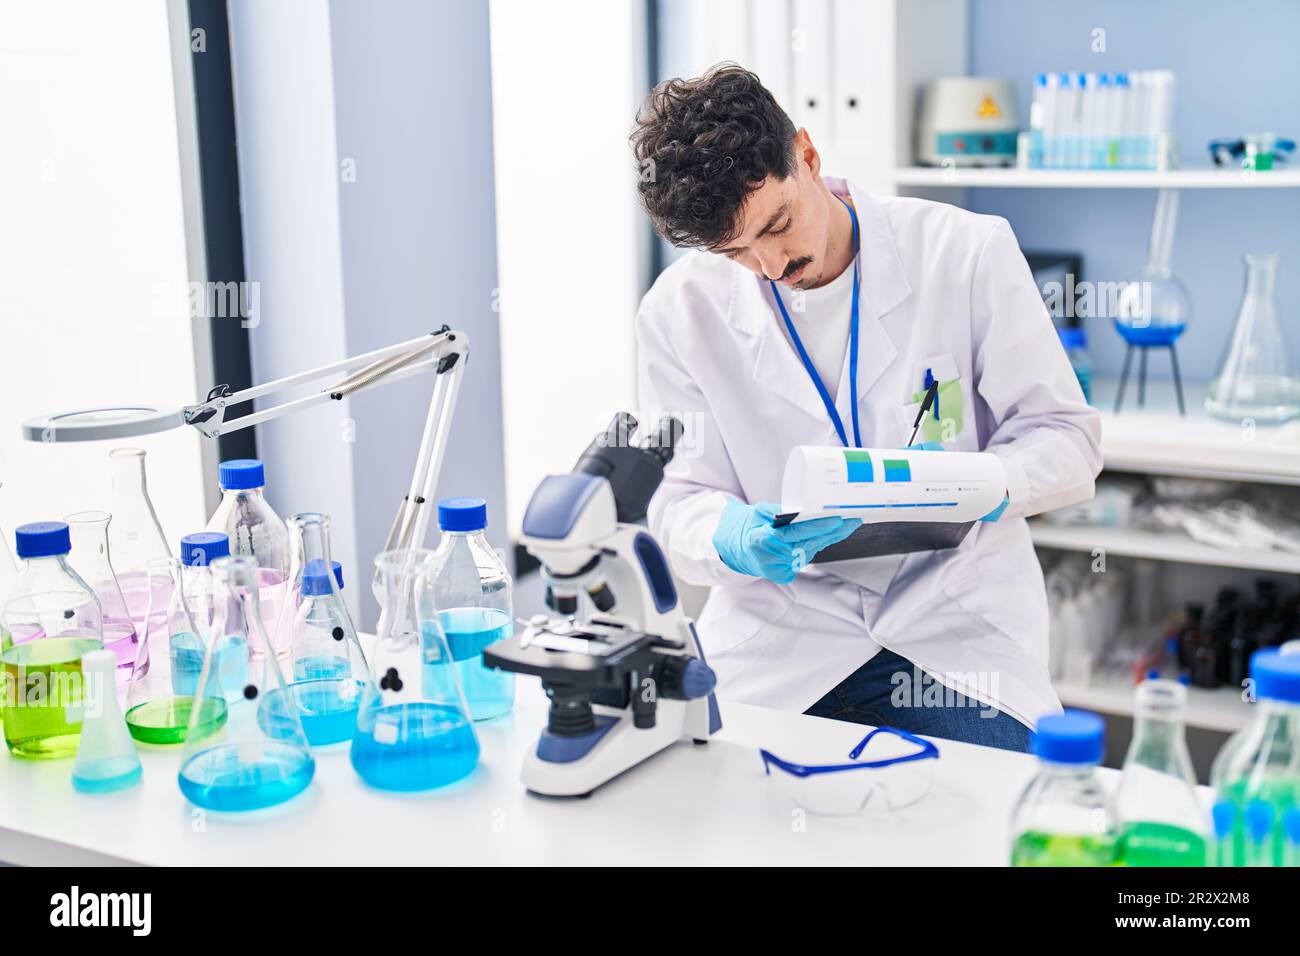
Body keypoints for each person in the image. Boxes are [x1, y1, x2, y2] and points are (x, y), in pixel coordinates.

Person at [631, 65, 1101, 752]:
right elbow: (677, 502)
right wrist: (732, 534)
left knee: (988, 816)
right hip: (785, 635)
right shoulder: (679, 314)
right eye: (736, 252)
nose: (769, 266)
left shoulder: (964, 253)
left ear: (808, 156)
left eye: (777, 225)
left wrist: (989, 484)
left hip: (951, 620)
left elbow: (1067, 438)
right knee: (707, 807)